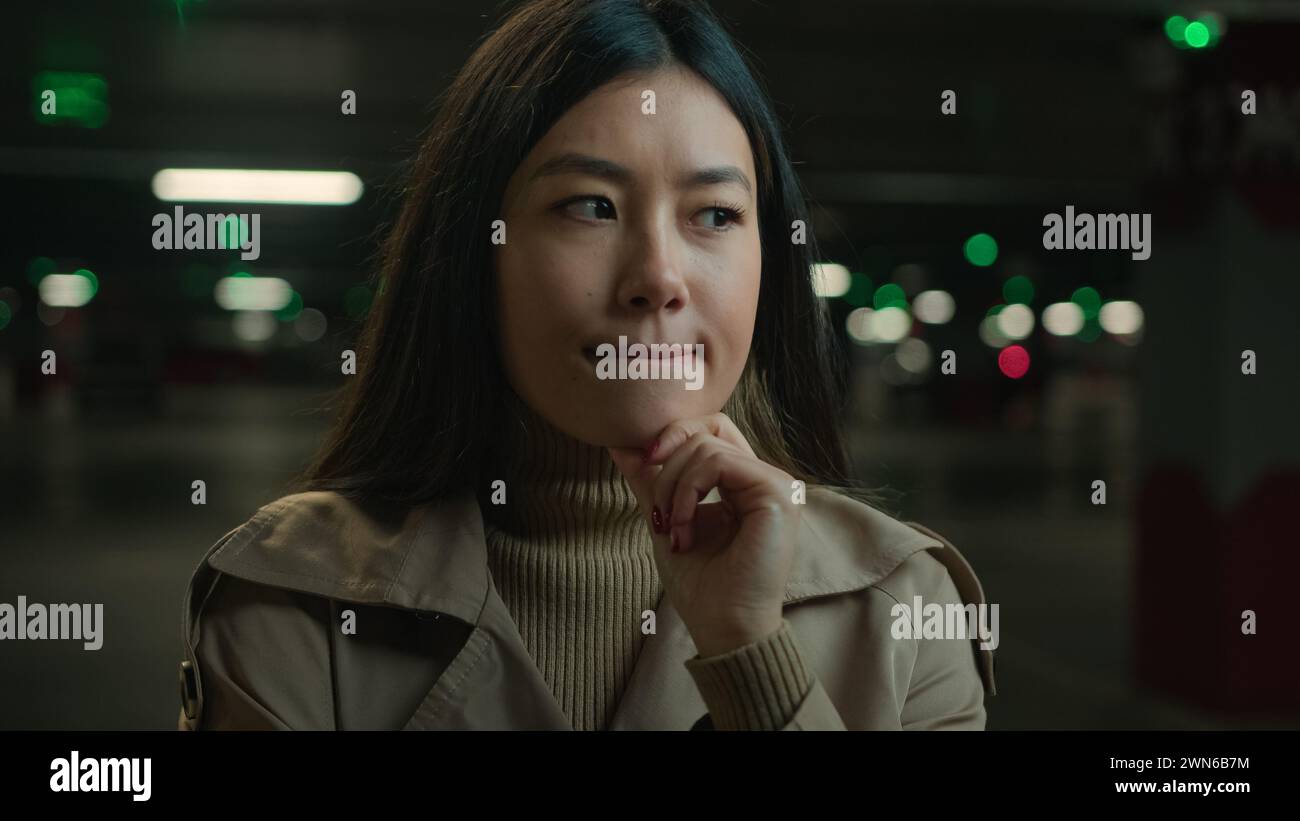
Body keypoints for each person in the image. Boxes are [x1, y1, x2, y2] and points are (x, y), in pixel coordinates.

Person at [177, 0, 995, 731]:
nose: (659, 277)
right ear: (473, 254)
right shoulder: (296, 602)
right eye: (590, 207)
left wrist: (749, 654)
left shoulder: (904, 611)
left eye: (714, 214)